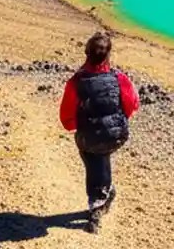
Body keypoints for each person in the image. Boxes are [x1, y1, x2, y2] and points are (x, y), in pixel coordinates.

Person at [59, 32, 139, 232]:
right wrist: (113, 122)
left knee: (93, 154)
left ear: (86, 53)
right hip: (117, 135)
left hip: (91, 138)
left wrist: (86, 125)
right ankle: (105, 191)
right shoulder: (119, 78)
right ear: (108, 54)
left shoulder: (76, 82)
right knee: (102, 153)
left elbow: (67, 120)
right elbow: (132, 104)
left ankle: (97, 205)